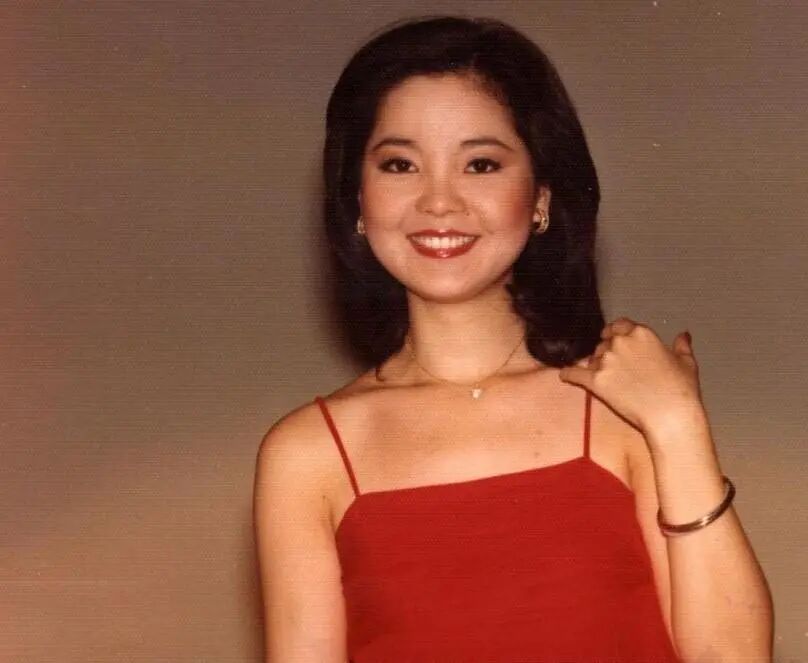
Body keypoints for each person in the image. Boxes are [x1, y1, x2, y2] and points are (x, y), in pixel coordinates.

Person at [252, 15, 773, 662]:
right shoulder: (307, 454)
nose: (439, 201)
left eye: (480, 164)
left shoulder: (624, 405)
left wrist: (677, 421)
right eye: (400, 164)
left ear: (541, 196)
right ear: (357, 199)